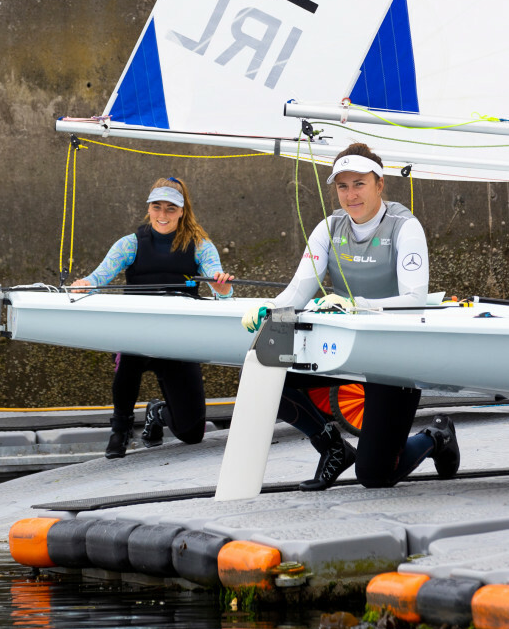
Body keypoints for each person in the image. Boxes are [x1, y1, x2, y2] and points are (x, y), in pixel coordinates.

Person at [241, 142, 460, 491]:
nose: (350, 194)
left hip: (394, 359)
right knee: (266, 370)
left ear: (379, 184)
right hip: (344, 350)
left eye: (359, 183)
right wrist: (271, 308)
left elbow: (416, 299)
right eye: (342, 186)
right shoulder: (328, 228)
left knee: (375, 477)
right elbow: (298, 291)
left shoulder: (406, 226)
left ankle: (436, 436)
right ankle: (332, 447)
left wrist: (359, 304)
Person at [71, 176, 233, 459]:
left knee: (192, 434)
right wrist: (84, 283)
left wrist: (222, 287)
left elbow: (222, 294)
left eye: (171, 208)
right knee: (129, 359)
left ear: (183, 211)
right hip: (139, 333)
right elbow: (98, 277)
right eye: (156, 207)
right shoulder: (130, 244)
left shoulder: (200, 245)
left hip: (179, 340)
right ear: (148, 209)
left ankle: (157, 412)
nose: (163, 215)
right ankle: (120, 429)